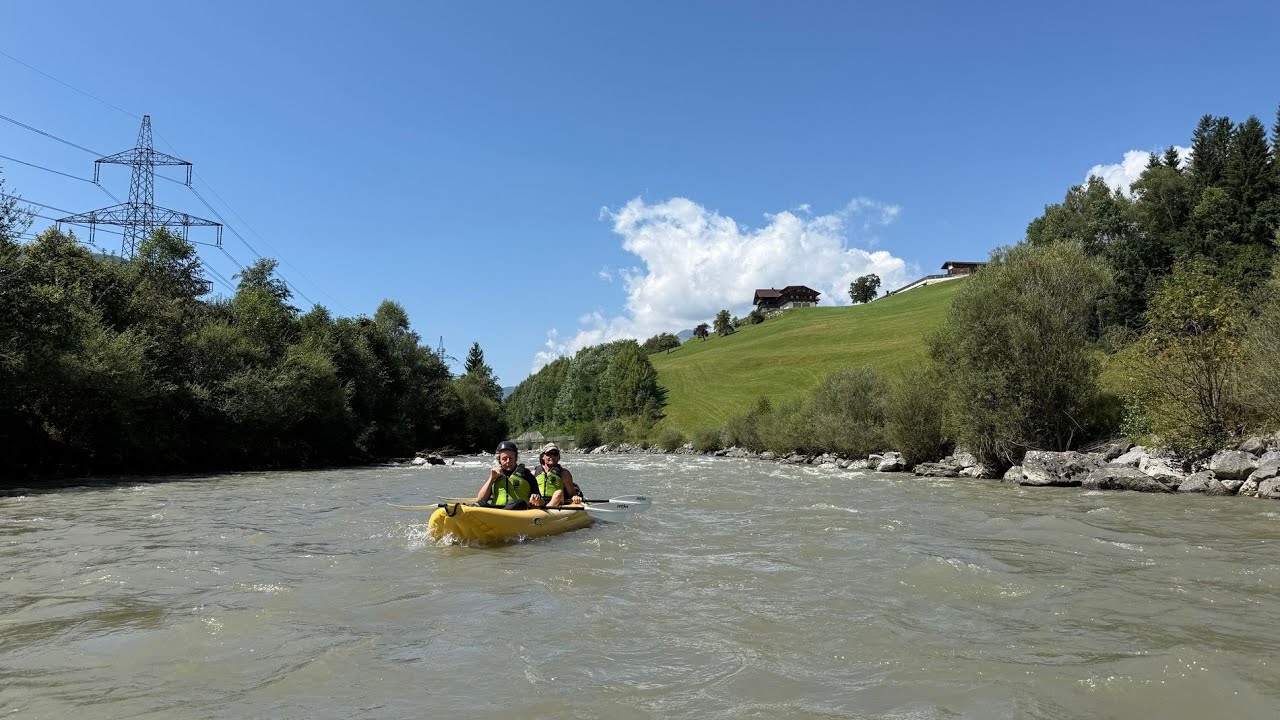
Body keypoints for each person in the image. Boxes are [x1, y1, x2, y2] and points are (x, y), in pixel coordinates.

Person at [475, 440, 538, 510]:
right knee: (481, 504)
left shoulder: (527, 475)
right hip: (497, 513)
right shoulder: (495, 475)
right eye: (504, 459)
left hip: (519, 512)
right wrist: (491, 478)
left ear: (516, 458)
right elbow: (480, 499)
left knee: (519, 502)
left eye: (510, 458)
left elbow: (539, 501)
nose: (508, 461)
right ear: (499, 460)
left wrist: (538, 500)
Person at [531, 442, 583, 507]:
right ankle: (543, 509)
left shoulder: (564, 473)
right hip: (539, 502)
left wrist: (575, 498)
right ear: (543, 457)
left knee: (559, 493)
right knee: (535, 496)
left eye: (555, 454)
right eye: (549, 454)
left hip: (557, 502)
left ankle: (547, 510)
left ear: (558, 457)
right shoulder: (534, 473)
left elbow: (572, 494)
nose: (552, 456)